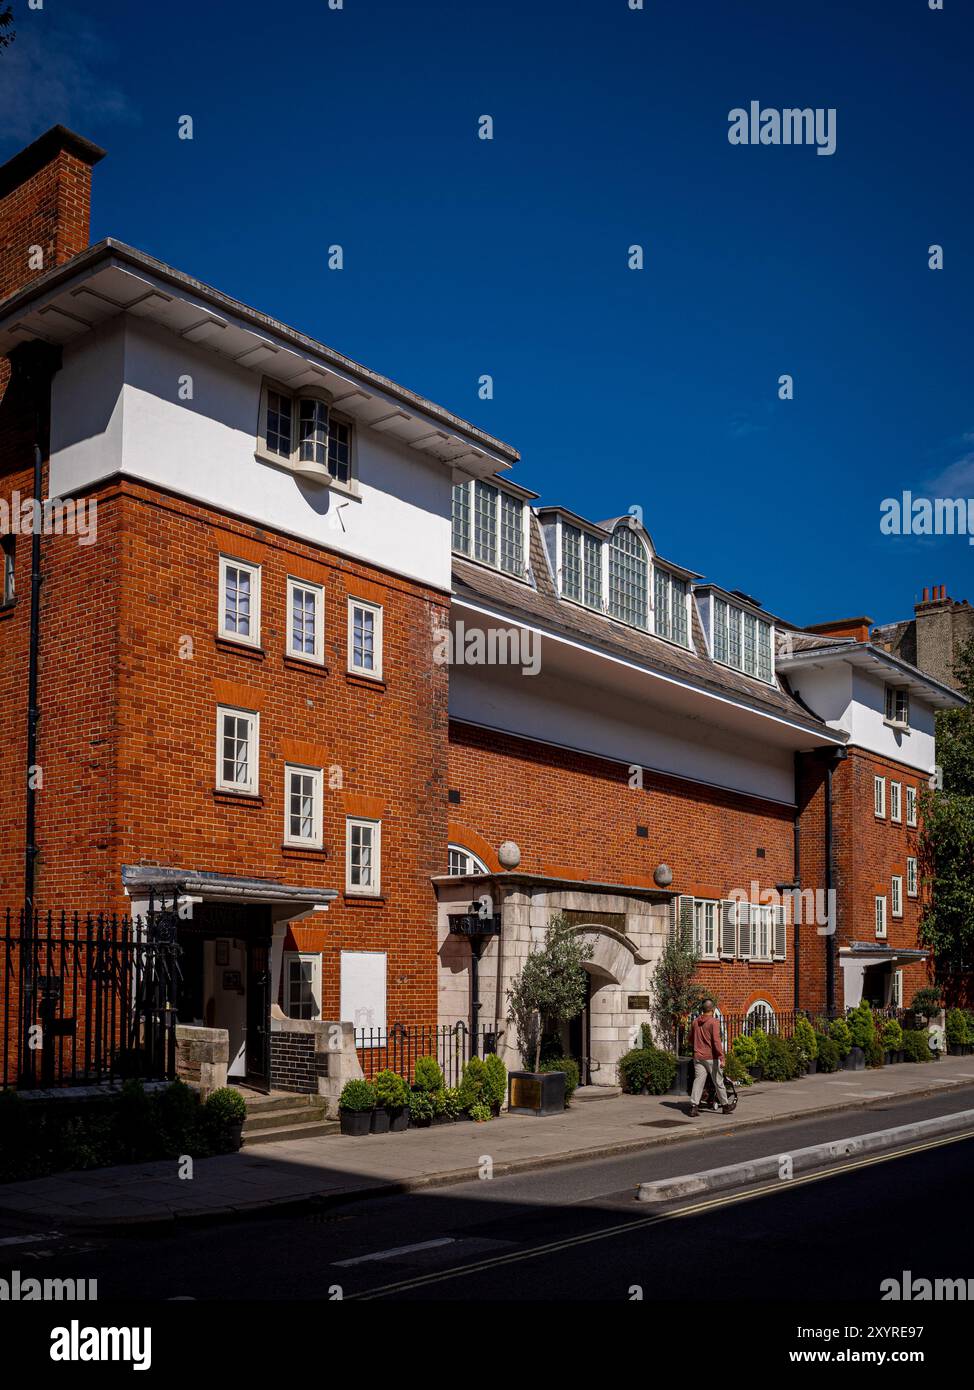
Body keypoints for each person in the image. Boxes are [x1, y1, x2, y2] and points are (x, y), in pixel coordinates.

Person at [688, 1000, 732, 1117]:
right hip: (712, 1057)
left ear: (702, 1009)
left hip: (698, 1056)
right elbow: (716, 1041)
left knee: (698, 1081)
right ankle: (725, 1106)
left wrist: (698, 1045)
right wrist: (721, 1056)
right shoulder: (714, 1022)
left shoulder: (695, 1022)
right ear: (712, 1009)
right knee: (718, 1081)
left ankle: (694, 1107)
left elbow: (690, 1039)